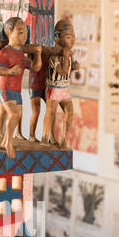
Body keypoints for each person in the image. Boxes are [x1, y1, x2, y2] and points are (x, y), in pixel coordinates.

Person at [0, 16, 40, 159]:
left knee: (17, 116)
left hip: (16, 91)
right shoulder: (5, 52)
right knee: (13, 115)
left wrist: (38, 54)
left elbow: (35, 67)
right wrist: (9, 71)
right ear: (9, 32)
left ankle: (6, 140)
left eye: (25, 32)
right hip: (5, 89)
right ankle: (8, 142)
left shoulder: (21, 54)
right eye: (20, 32)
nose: (24, 35)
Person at [43, 18, 79, 148]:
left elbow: (68, 73)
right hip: (54, 89)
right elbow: (63, 71)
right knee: (50, 113)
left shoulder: (69, 54)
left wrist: (74, 66)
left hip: (64, 89)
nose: (72, 40)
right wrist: (65, 55)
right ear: (57, 37)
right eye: (68, 37)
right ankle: (45, 138)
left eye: (73, 37)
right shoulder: (55, 56)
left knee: (69, 112)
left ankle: (64, 140)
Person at [29, 45, 49, 141]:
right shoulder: (34, 49)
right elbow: (30, 63)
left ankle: (48, 135)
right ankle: (32, 135)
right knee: (36, 111)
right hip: (35, 83)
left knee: (50, 111)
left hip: (46, 83)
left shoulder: (50, 50)